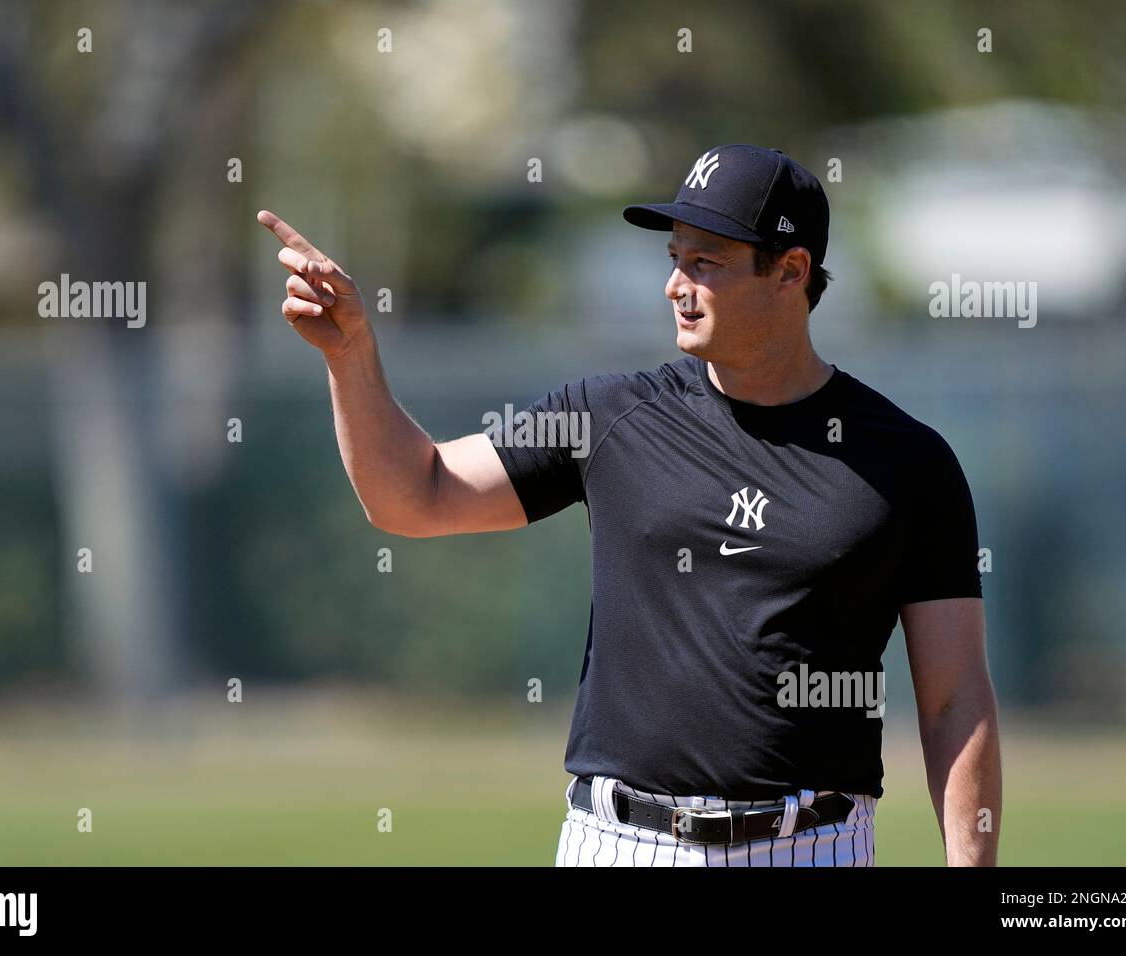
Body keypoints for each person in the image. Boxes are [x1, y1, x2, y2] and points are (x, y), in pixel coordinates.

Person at [257, 143, 1002, 867]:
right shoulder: (606, 416)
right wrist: (350, 357)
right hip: (622, 845)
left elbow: (954, 699)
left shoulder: (906, 461)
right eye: (675, 258)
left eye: (706, 262)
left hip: (815, 845)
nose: (677, 284)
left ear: (791, 271)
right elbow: (414, 496)